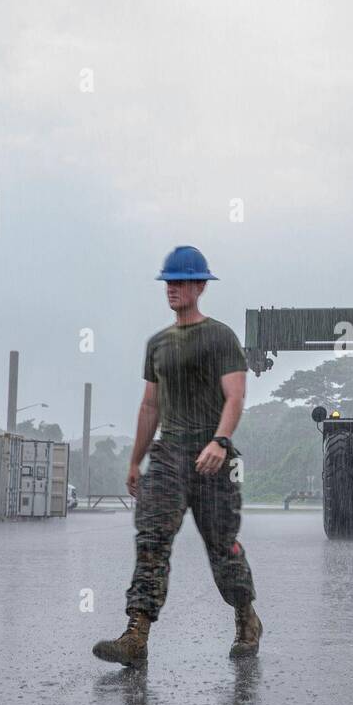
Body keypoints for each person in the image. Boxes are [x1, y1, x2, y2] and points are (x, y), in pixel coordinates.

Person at [92, 245, 262, 667]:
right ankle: (137, 635)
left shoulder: (220, 336)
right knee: (151, 541)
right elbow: (150, 405)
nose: (172, 289)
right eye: (169, 282)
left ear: (200, 286)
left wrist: (220, 442)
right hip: (168, 456)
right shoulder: (158, 344)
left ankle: (246, 618)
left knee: (222, 547)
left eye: (181, 282)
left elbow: (235, 396)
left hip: (212, 456)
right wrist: (135, 461)